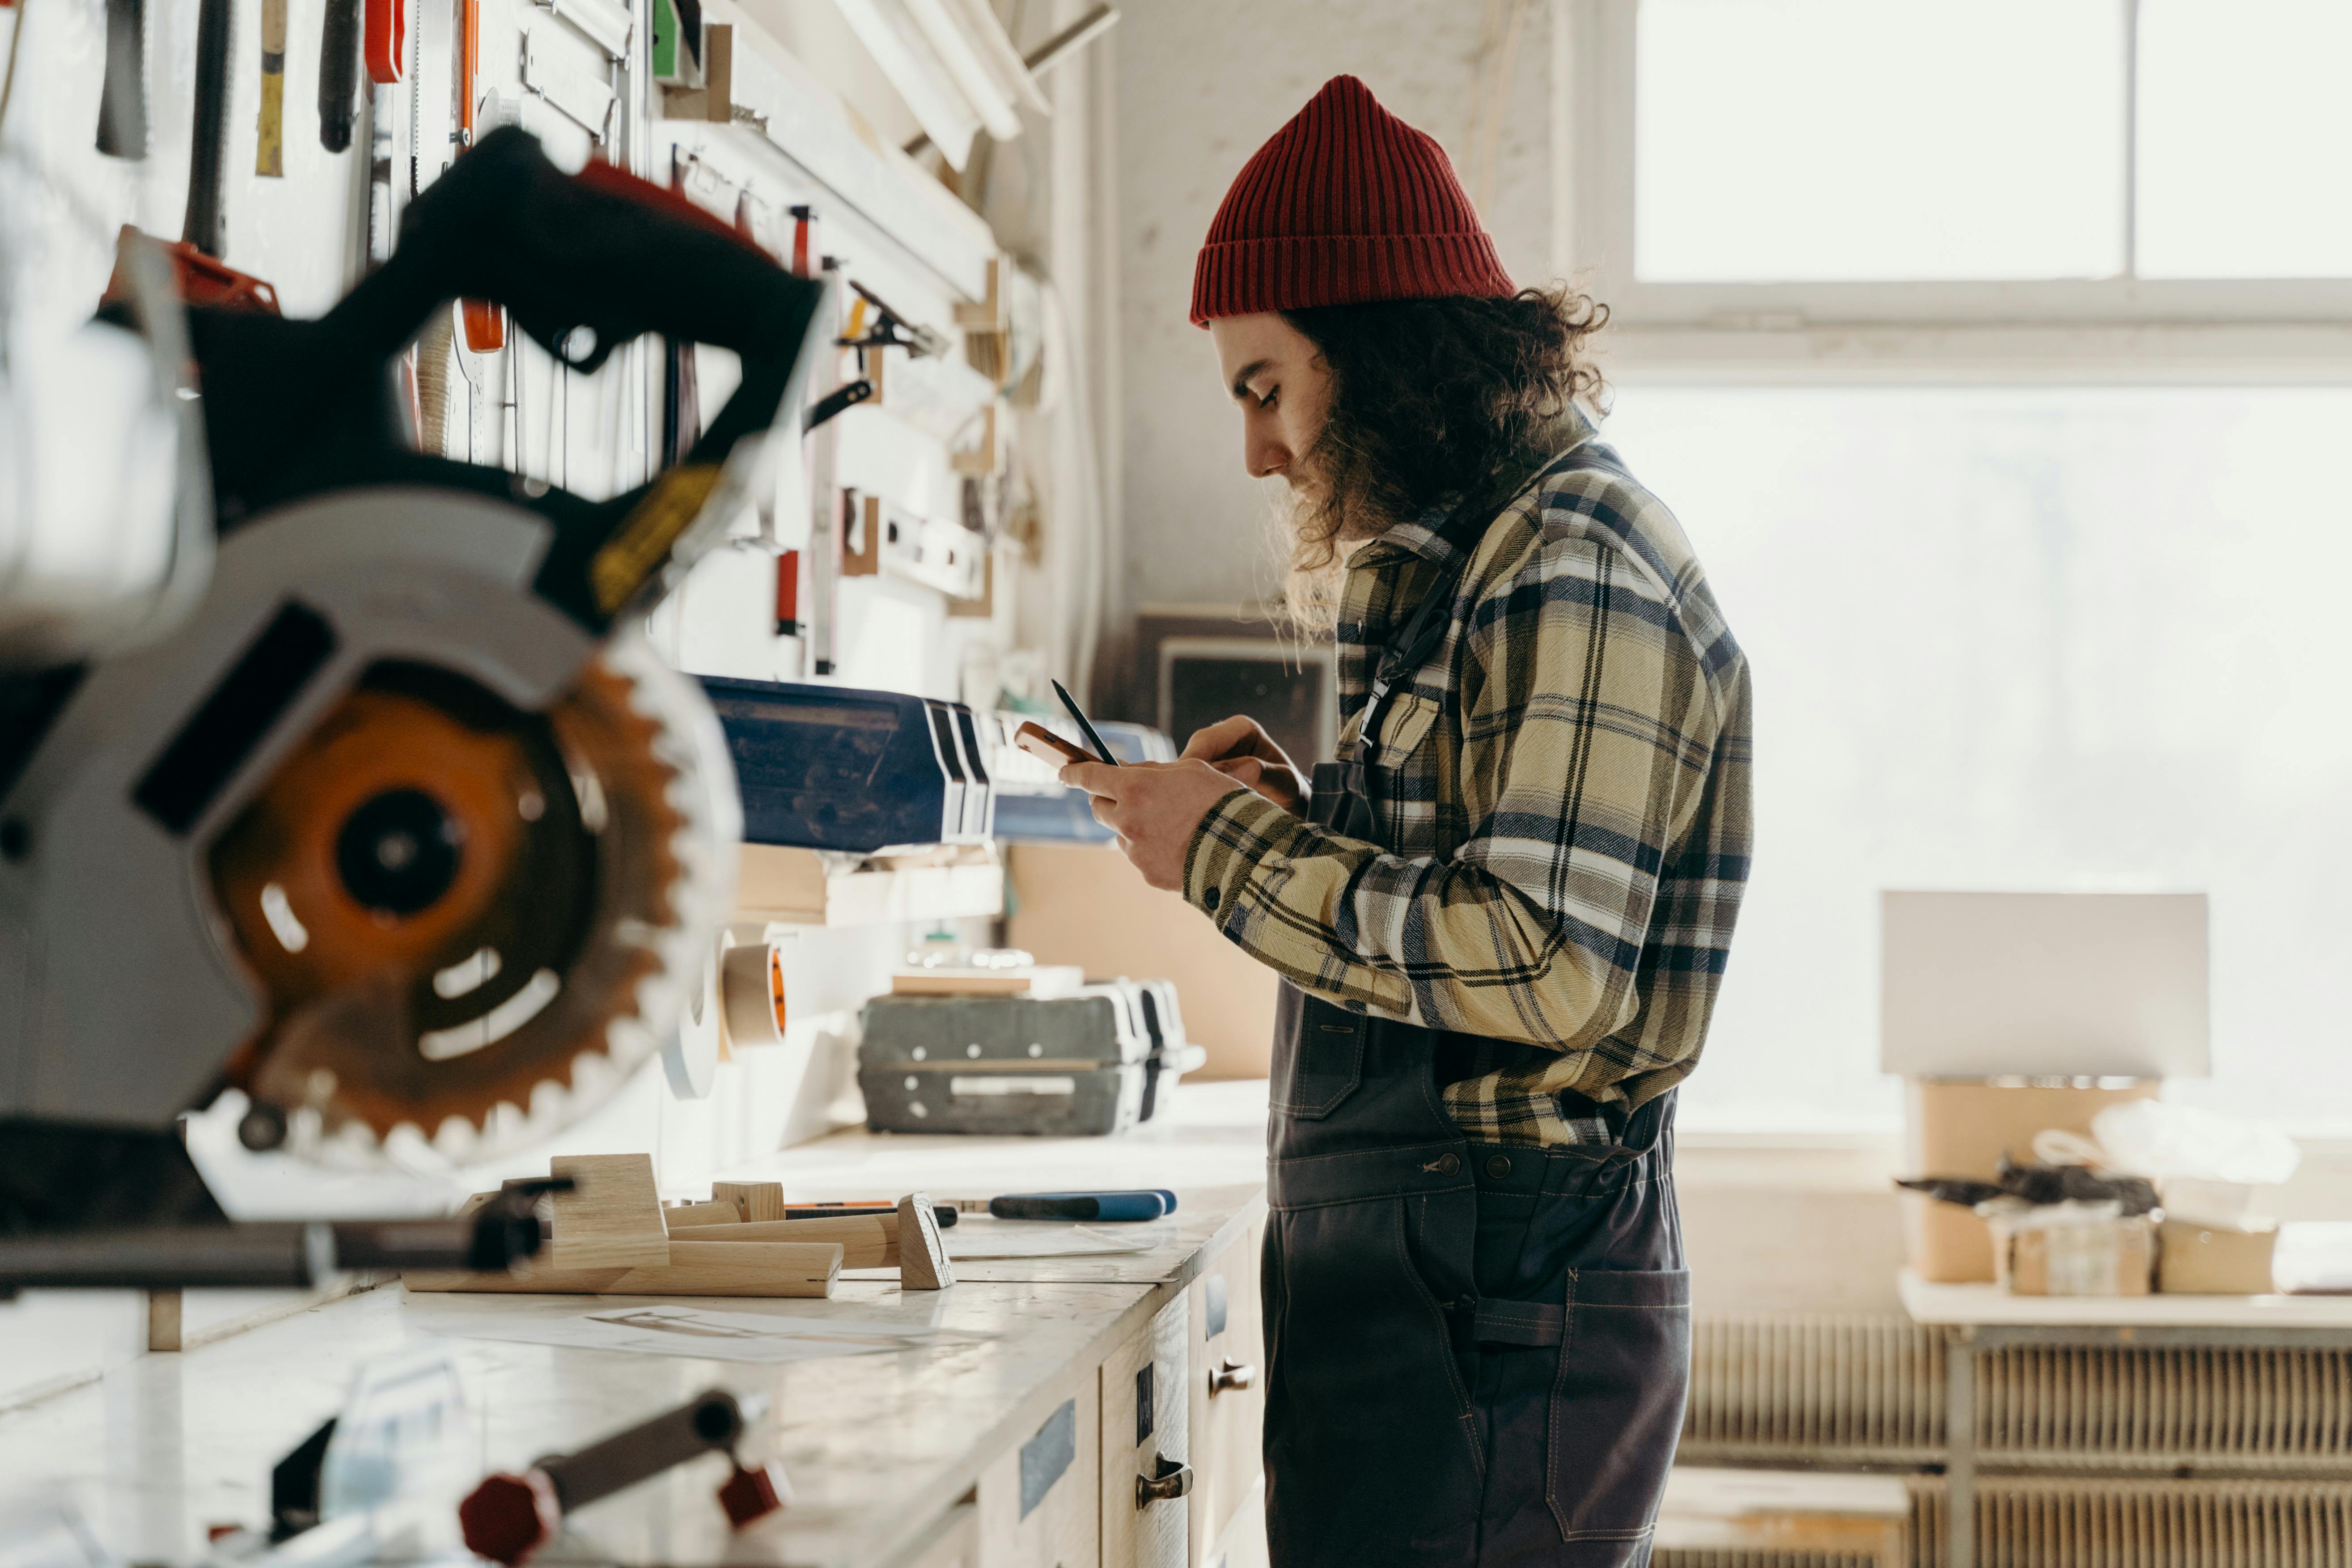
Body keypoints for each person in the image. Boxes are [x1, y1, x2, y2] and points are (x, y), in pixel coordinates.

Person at [1060, 76, 1752, 1567]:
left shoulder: (1569, 558)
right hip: (1430, 1291)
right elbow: (1473, 881)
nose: (1256, 452)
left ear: (1372, 355)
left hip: (1497, 1311)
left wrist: (1226, 856)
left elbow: (1544, 964)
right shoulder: (1474, 560)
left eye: (1263, 386)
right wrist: (1295, 822)